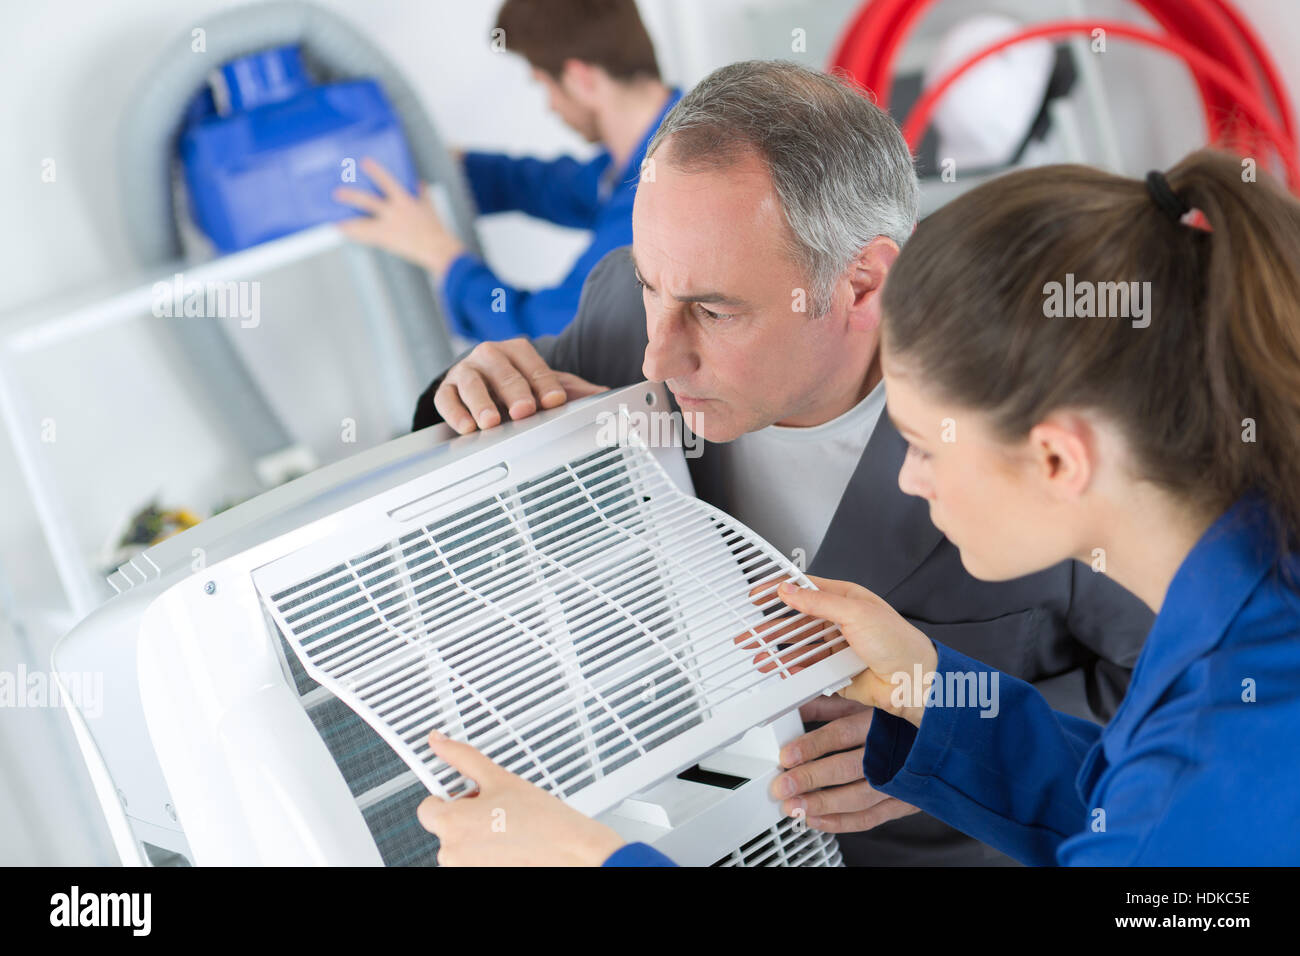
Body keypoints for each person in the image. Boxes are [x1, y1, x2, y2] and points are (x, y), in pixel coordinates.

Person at [419, 147, 1300, 866]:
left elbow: (1157, 830)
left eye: (920, 442)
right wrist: (933, 688)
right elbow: (1117, 803)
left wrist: (587, 861)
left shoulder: (1210, 779)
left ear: (1058, 457)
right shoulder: (1247, 642)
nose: (908, 478)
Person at [333, 0, 681, 341]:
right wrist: (446, 166)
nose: (550, 106)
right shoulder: (664, 149)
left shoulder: (666, 190)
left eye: (543, 84)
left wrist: (438, 253)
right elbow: (548, 186)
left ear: (581, 80)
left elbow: (550, 333)